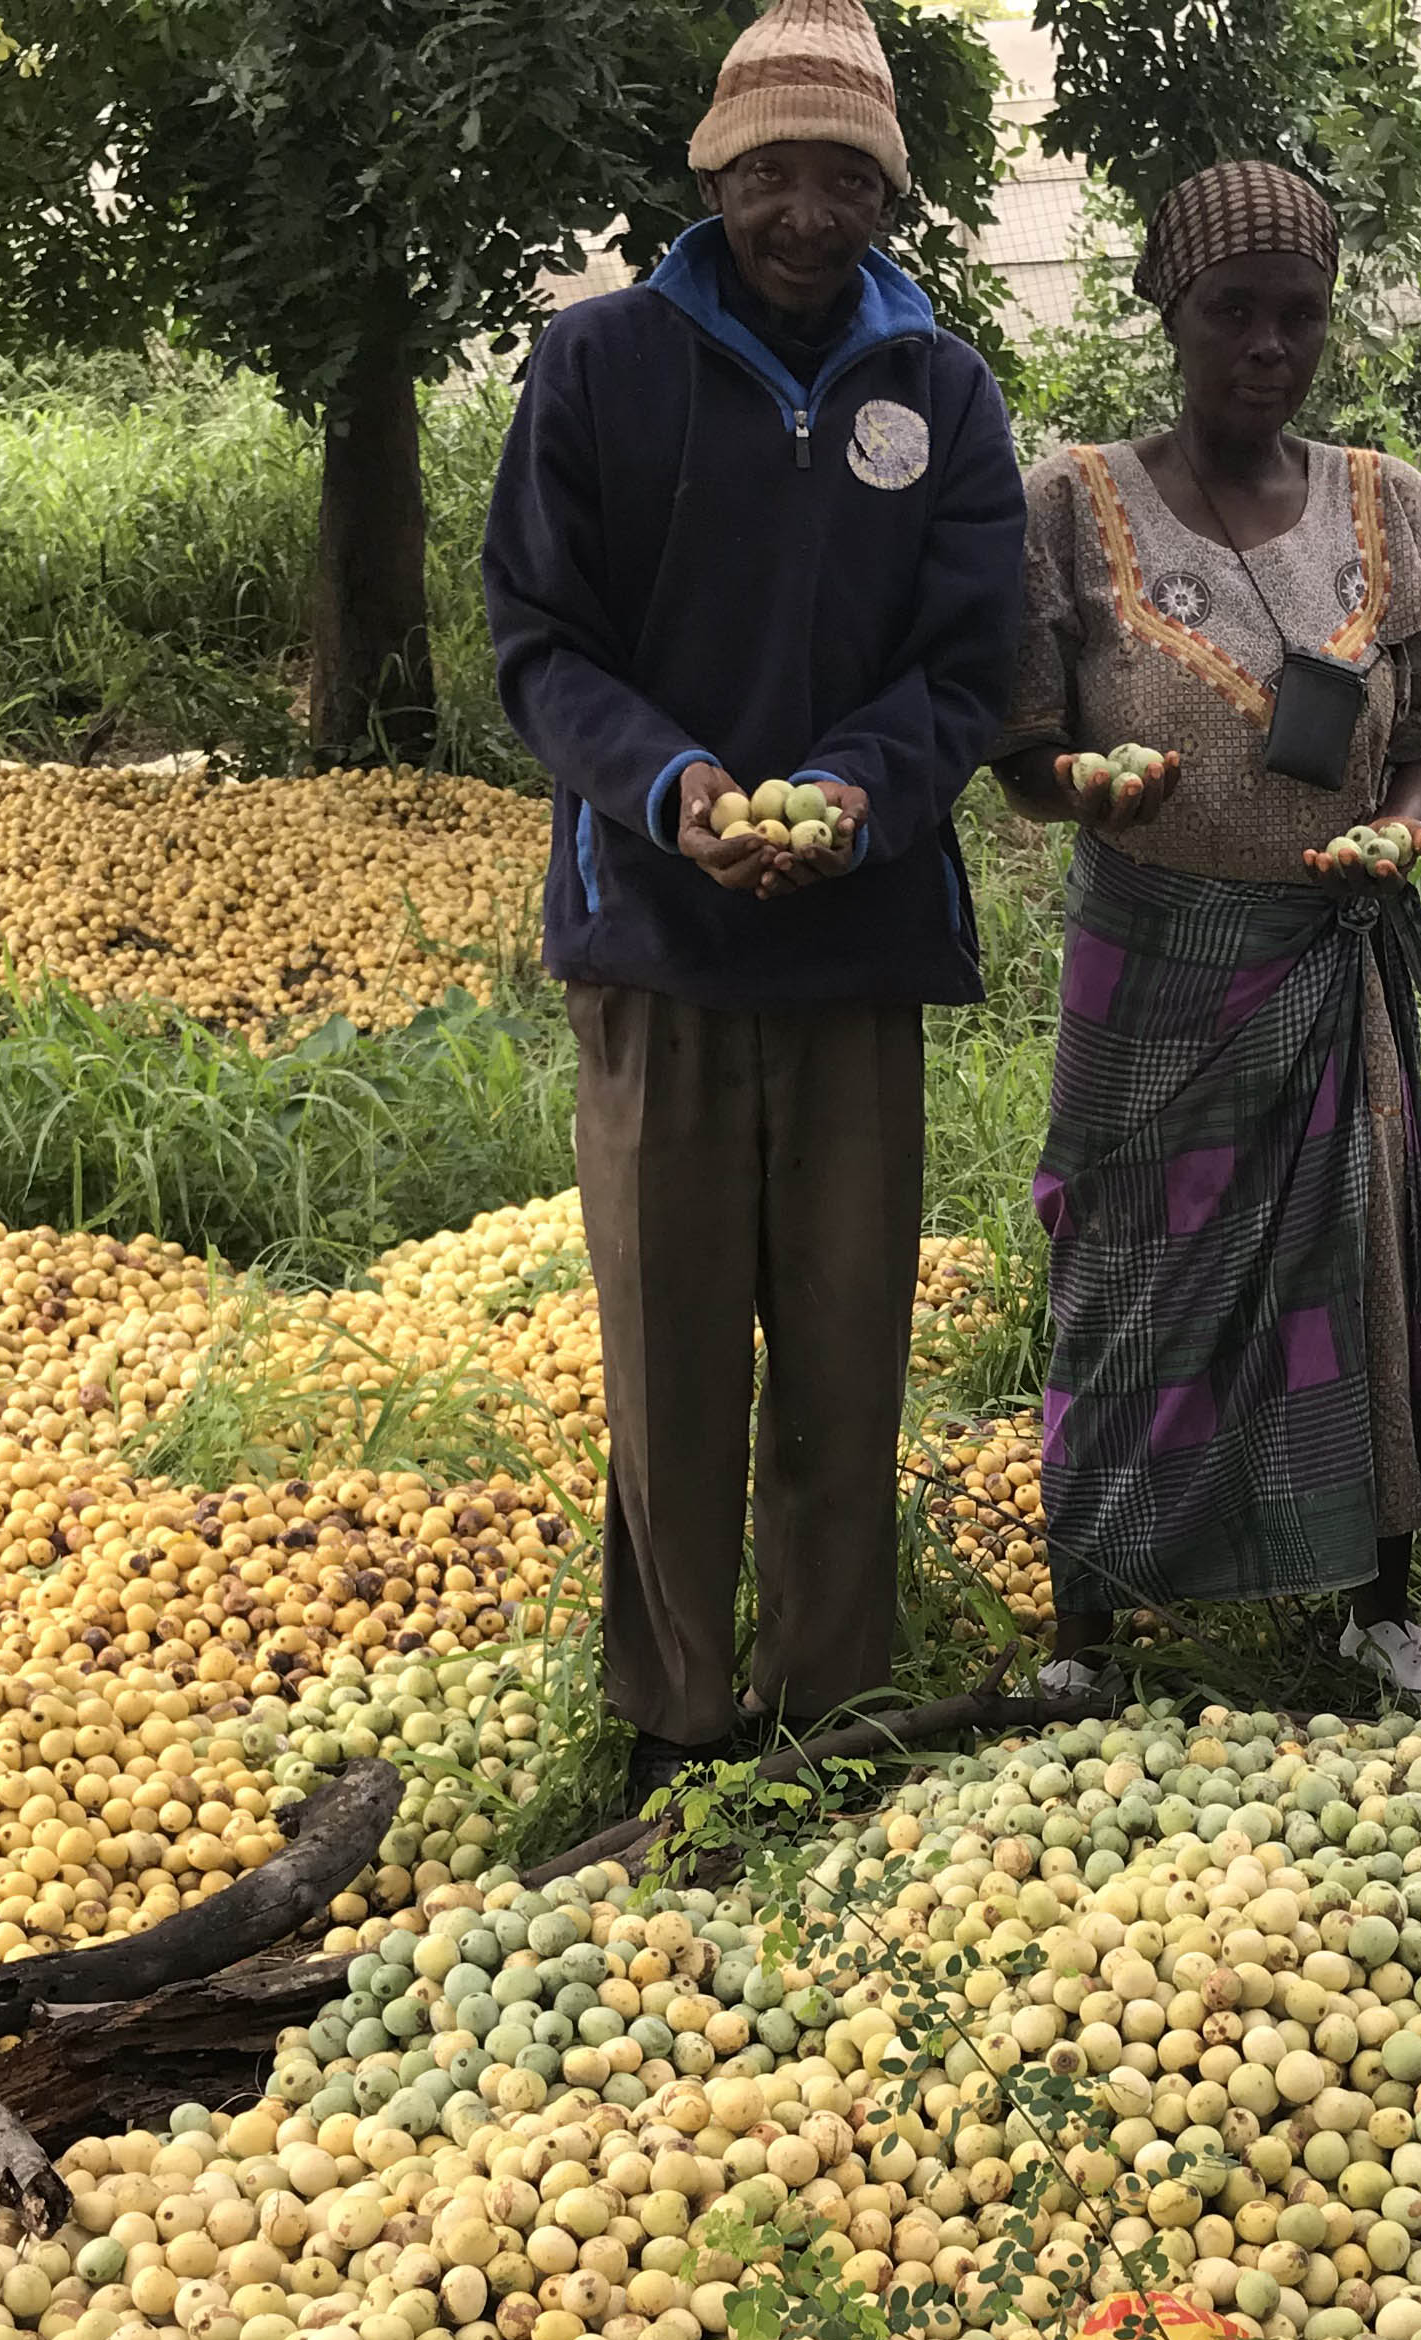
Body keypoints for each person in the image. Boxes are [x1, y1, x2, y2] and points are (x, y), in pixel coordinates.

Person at [479, 0, 1023, 1799]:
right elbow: (540, 641)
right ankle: (673, 1712)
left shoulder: (937, 391)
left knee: (849, 1334)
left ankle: (832, 1698)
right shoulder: (603, 365)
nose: (809, 209)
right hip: (659, 934)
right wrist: (677, 790)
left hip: (855, 935)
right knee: (672, 1332)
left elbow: (969, 664)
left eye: (846, 175)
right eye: (774, 170)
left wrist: (853, 797)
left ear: (888, 190)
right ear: (715, 173)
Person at [991, 160, 1421, 1705]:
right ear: (1173, 310)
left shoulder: (1388, 503)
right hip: (1151, 966)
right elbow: (1016, 745)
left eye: (1299, 314)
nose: (1268, 344)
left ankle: (1372, 1598)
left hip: (1328, 962)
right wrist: (1083, 778)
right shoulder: (1072, 502)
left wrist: (1402, 826)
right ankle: (1095, 1619)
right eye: (1234, 311)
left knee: (1354, 1258)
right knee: (1123, 1265)